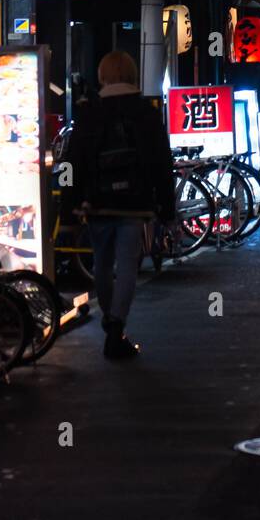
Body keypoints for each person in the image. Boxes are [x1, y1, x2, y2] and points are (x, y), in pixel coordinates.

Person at [64, 50, 175, 360]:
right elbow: (161, 163)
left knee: (102, 262)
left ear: (102, 76)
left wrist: (70, 209)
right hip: (135, 202)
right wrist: (167, 210)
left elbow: (74, 162)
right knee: (127, 264)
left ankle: (110, 318)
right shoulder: (146, 111)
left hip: (97, 201)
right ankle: (116, 326)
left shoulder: (89, 112)